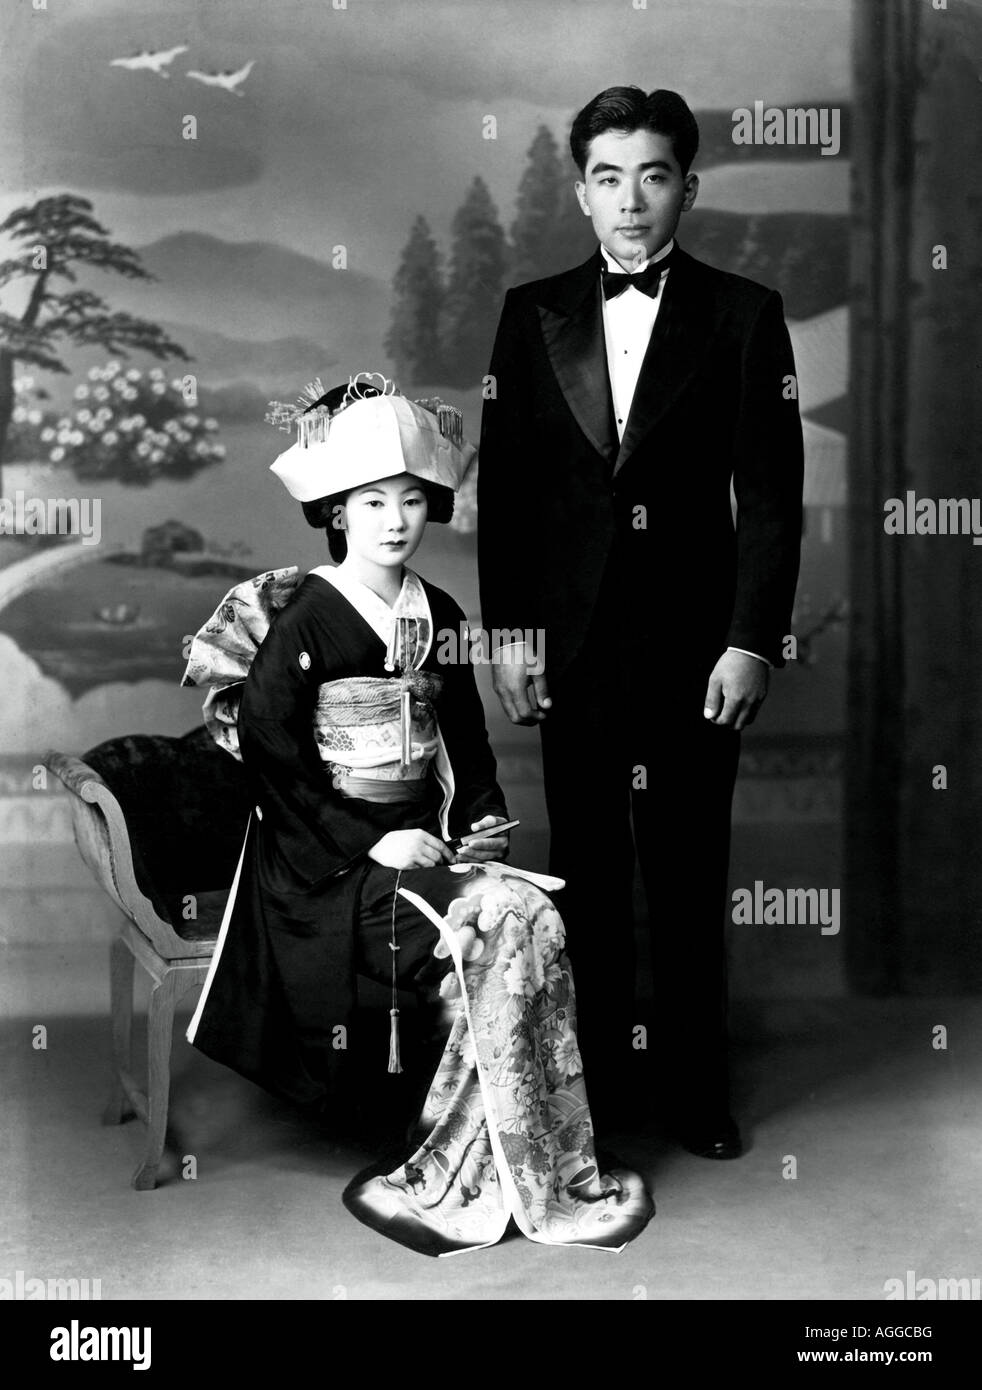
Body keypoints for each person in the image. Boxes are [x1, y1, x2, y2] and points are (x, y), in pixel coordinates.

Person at [181, 373, 653, 1256]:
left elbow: (466, 742)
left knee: (532, 912)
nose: (395, 521)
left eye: (409, 501)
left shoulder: (436, 612)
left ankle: (528, 1156)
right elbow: (275, 767)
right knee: (483, 929)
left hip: (418, 840)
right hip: (321, 860)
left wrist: (481, 816)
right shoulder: (305, 621)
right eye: (371, 502)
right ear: (337, 512)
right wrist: (371, 836)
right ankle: (457, 1158)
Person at [478, 87, 804, 1158]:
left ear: (686, 189)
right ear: (581, 193)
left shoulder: (746, 315)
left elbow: (769, 497)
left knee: (685, 875)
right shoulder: (530, 315)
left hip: (696, 653)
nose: (631, 200)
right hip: (569, 652)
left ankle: (695, 1095)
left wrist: (751, 638)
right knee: (585, 888)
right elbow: (509, 497)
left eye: (653, 175)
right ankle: (598, 1105)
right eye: (609, 177)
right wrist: (509, 636)